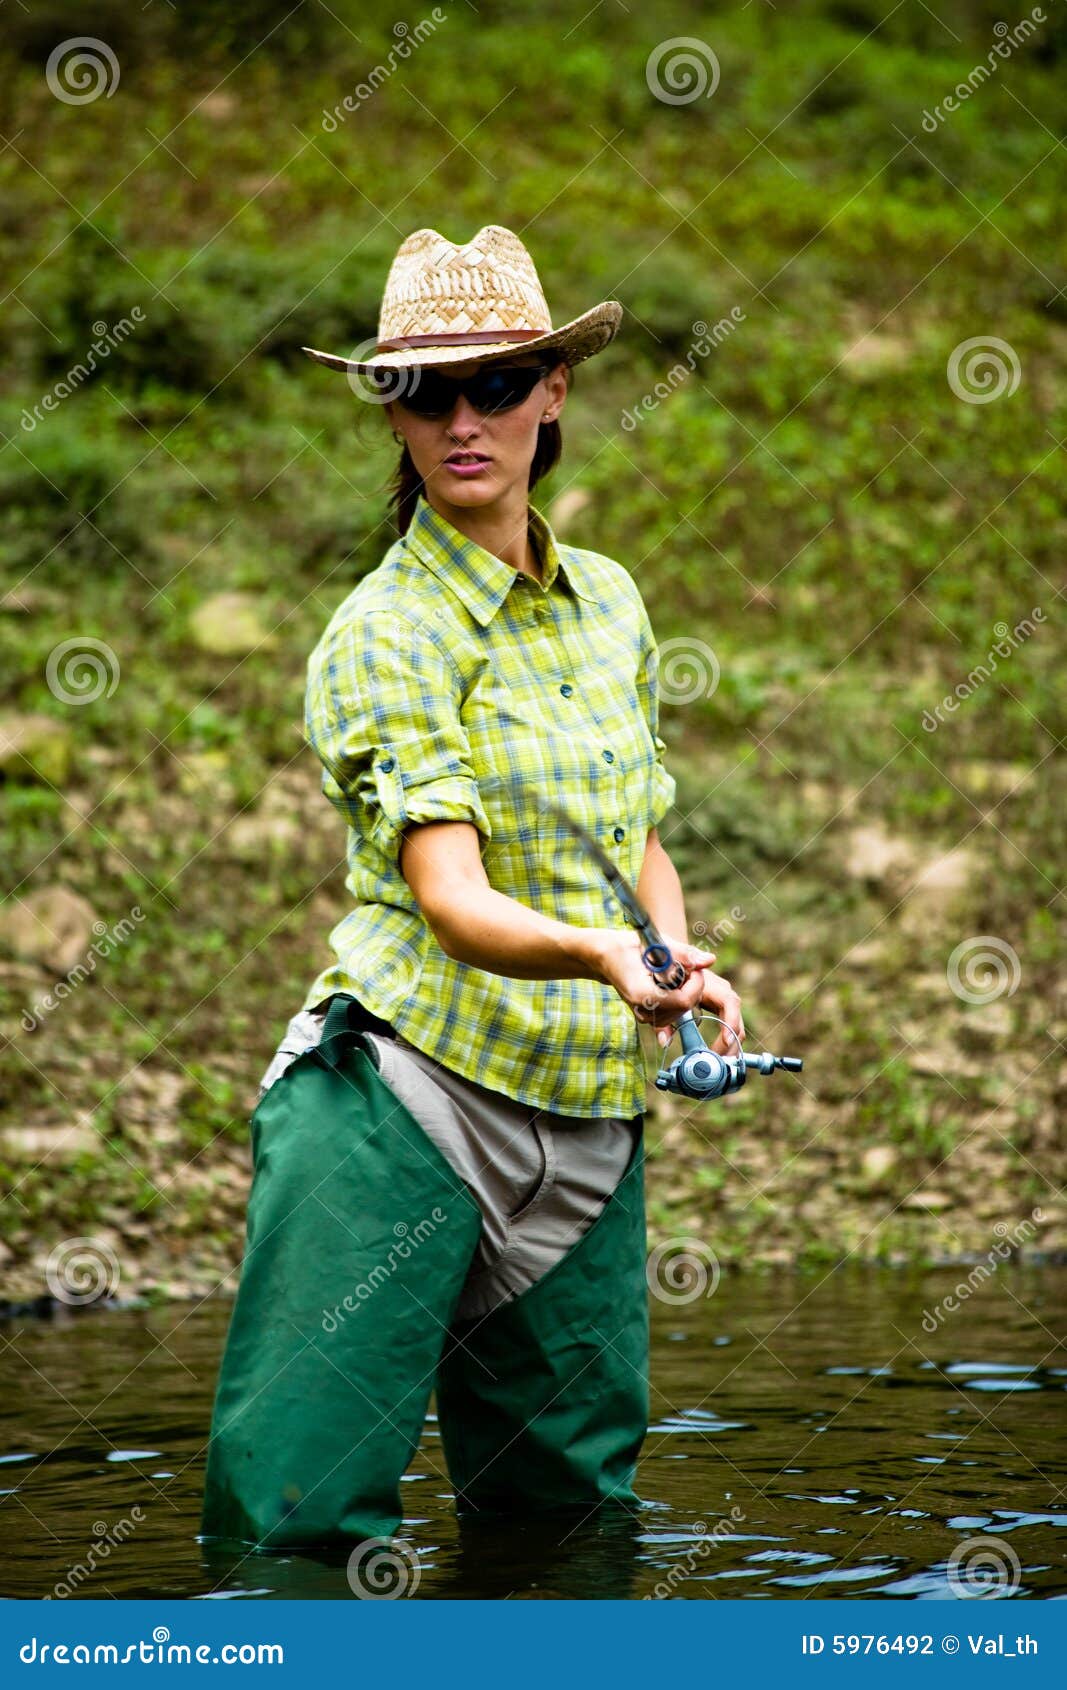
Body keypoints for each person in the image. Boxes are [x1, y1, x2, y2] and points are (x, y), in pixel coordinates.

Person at [200, 224, 744, 1553]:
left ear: (552, 391)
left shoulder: (609, 601)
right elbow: (448, 893)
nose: (461, 417)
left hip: (587, 1124)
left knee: (568, 1526)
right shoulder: (381, 632)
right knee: (298, 1520)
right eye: (420, 389)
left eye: (494, 382)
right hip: (404, 1104)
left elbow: (641, 835)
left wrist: (666, 957)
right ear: (386, 408)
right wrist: (607, 962)